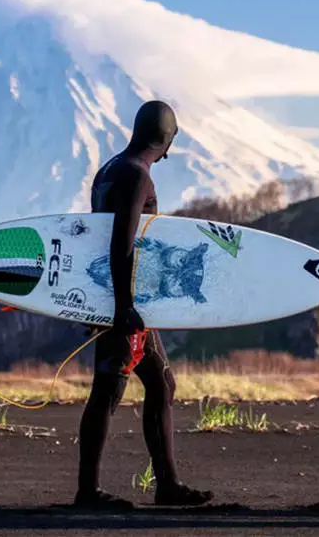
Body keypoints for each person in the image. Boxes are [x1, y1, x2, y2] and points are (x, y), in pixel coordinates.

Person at [74, 100, 214, 509]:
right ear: (166, 142)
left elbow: (94, 244)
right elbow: (122, 244)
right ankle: (96, 492)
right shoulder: (137, 177)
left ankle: (161, 484)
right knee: (111, 391)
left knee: (149, 385)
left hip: (112, 297)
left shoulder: (109, 170)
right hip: (125, 303)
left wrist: (93, 302)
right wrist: (122, 307)